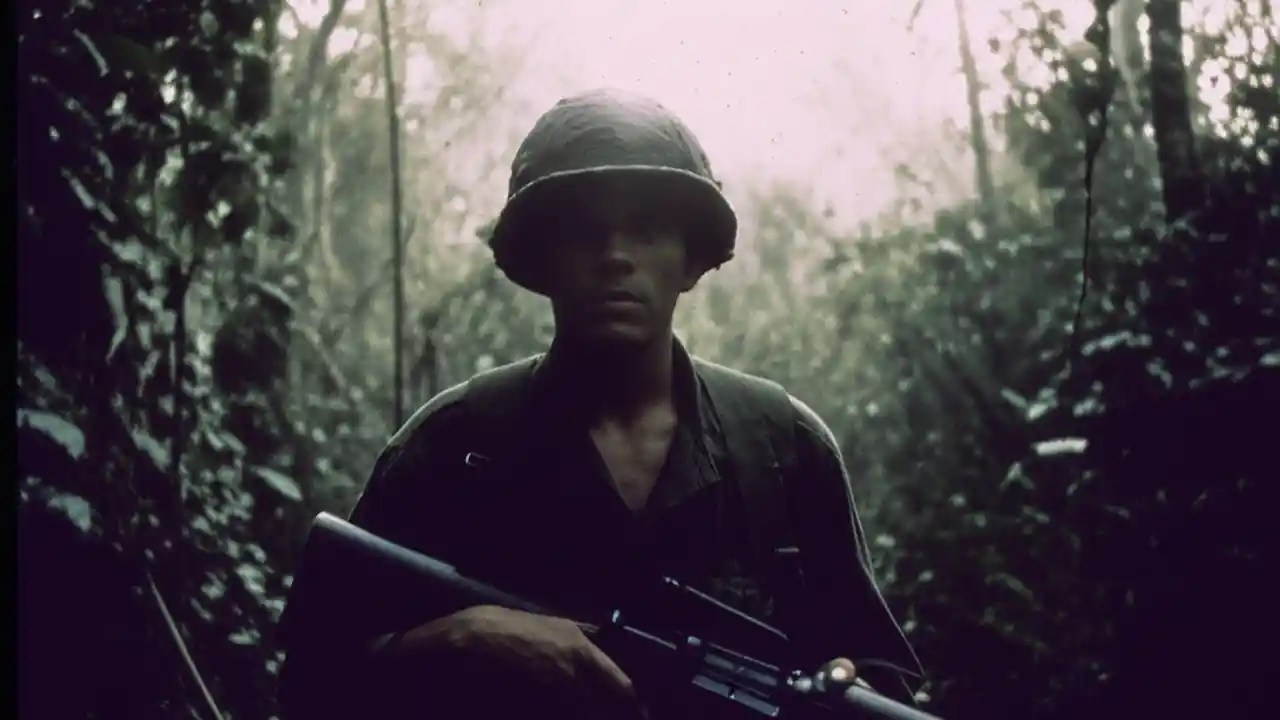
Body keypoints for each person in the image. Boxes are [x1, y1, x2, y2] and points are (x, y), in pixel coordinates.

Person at [278, 88, 923, 719]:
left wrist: (845, 685)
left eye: (646, 230)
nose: (615, 257)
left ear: (689, 261)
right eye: (583, 232)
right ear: (542, 260)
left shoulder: (782, 447)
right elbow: (312, 684)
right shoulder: (455, 445)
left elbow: (880, 680)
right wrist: (464, 638)